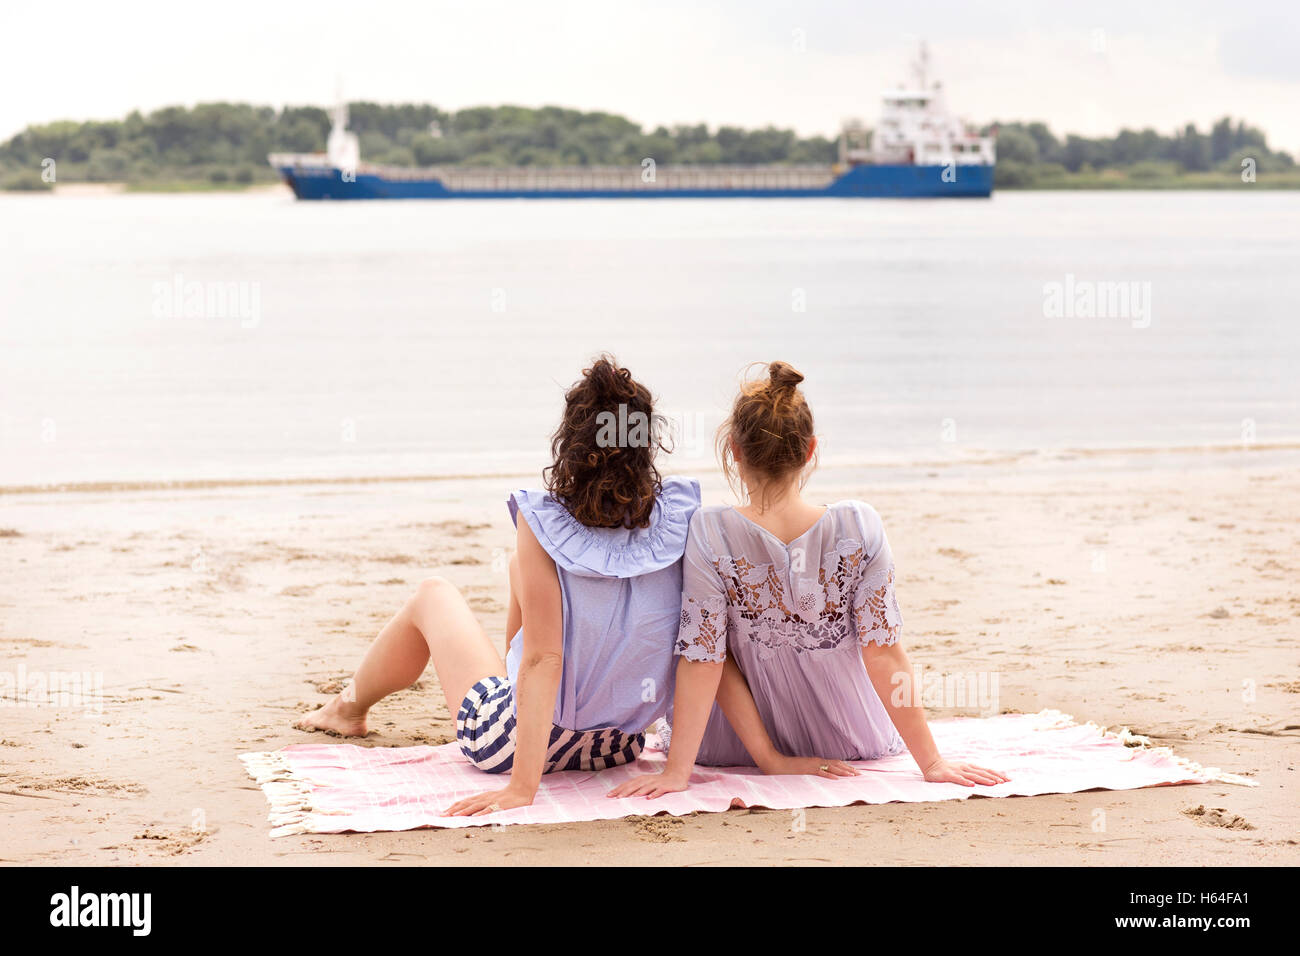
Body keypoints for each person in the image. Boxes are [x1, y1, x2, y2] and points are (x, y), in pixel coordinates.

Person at [296, 355, 700, 815]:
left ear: (572, 443)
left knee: (433, 593)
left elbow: (546, 657)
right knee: (519, 570)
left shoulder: (543, 519)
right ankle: (499, 685)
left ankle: (347, 709)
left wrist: (521, 789)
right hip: (616, 747)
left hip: (508, 747)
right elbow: (688, 644)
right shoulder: (679, 516)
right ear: (643, 443)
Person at [609, 361, 1008, 800]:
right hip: (850, 736)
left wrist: (676, 774)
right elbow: (885, 653)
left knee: (698, 635)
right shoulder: (860, 525)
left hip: (734, 746)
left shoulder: (709, 531)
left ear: (734, 450)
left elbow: (704, 658)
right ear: (810, 450)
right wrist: (931, 763)